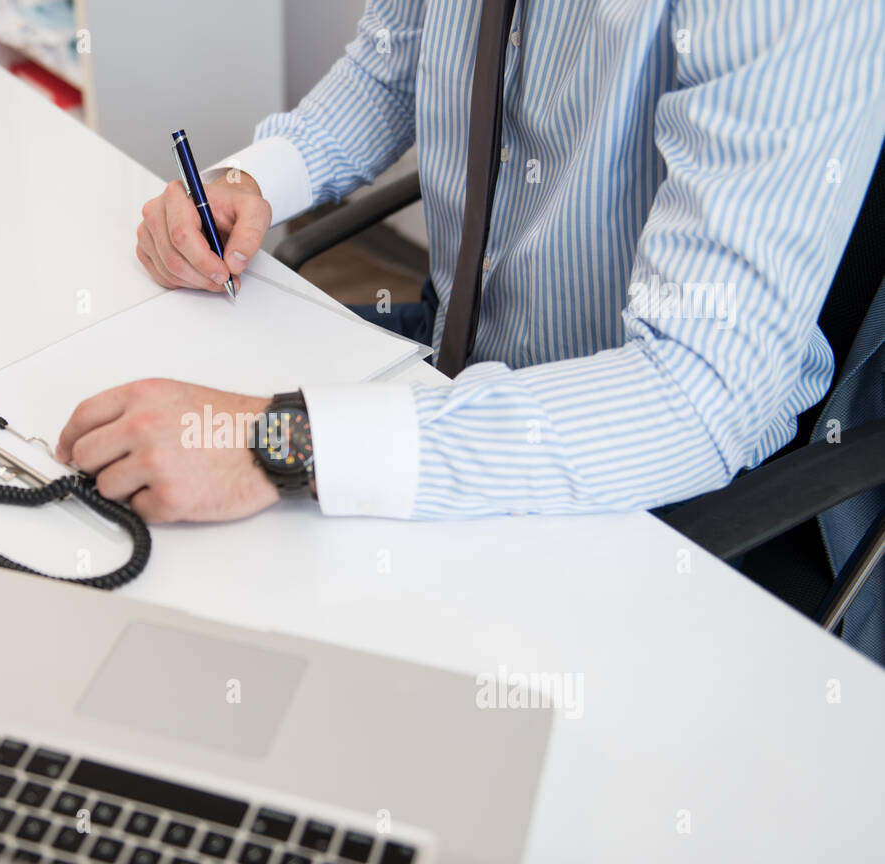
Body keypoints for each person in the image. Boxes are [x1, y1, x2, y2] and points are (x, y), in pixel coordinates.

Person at [56, 0, 885, 532]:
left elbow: (701, 391)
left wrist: (280, 442)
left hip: (638, 465)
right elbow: (391, 64)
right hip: (449, 353)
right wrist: (252, 180)